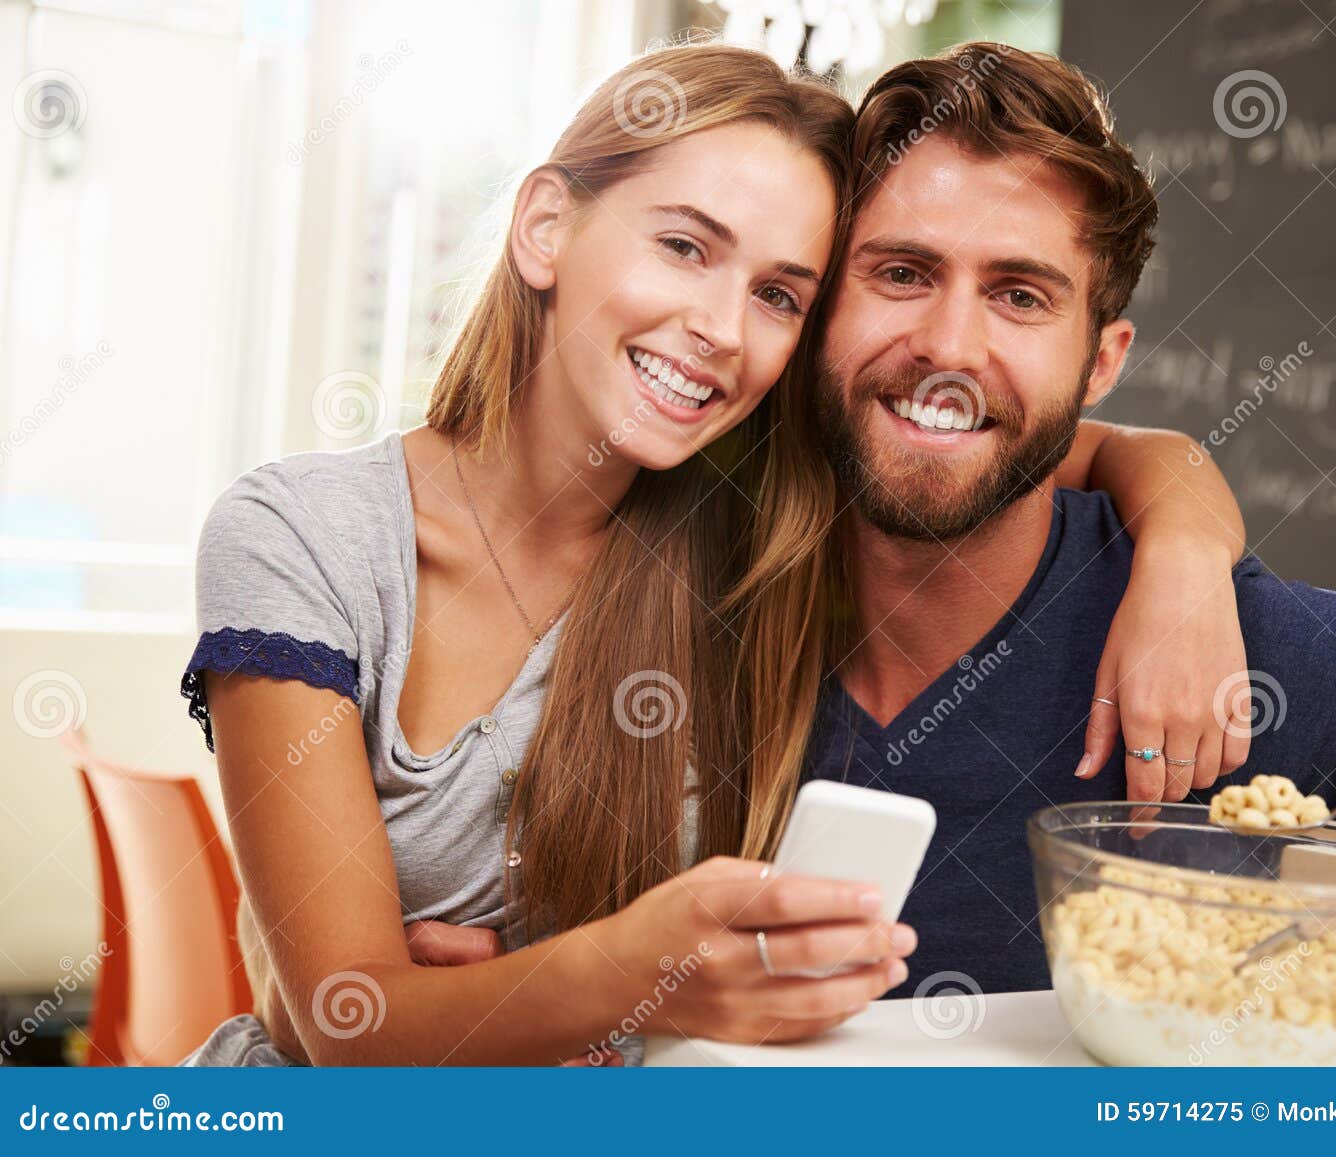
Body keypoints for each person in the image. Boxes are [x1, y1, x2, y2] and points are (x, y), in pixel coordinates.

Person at [178, 43, 1253, 1066]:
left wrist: (1185, 566)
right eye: (685, 247)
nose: (722, 329)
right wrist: (633, 972)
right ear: (546, 226)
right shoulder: (304, 538)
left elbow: (1066, 442)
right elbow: (347, 1031)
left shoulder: (751, 521)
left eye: (779, 295)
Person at [801, 42, 1336, 997]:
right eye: (901, 272)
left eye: (1020, 295)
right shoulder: (699, 592)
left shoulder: (1268, 656)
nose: (948, 347)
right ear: (816, 304)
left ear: (1102, 364)